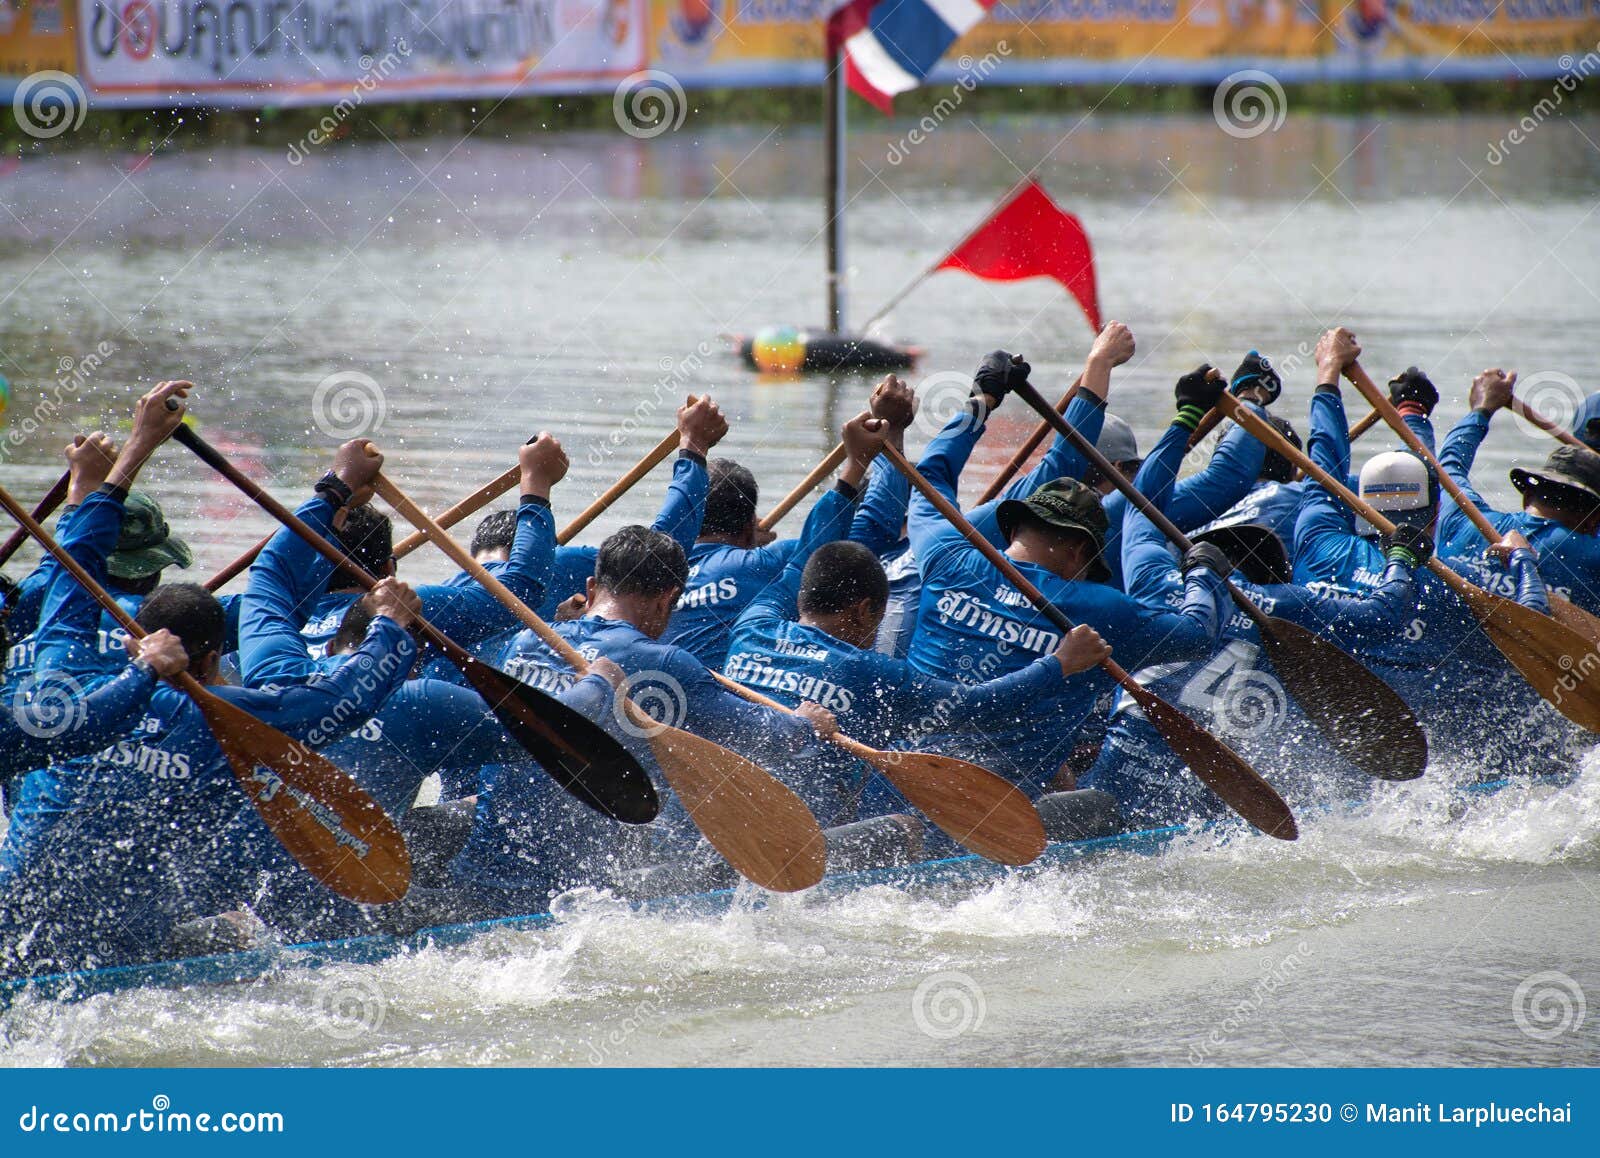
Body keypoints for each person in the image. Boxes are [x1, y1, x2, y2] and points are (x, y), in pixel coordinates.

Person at [0, 383, 422, 976]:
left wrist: (127, 456)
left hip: (11, 931)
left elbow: (72, 571)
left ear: (131, 641)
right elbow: (342, 700)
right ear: (213, 659)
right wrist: (391, 625)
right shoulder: (222, 717)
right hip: (122, 959)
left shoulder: (57, 676)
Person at [481, 410, 891, 836]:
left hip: (502, 844)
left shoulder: (528, 636)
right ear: (667, 601)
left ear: (592, 584)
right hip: (605, 838)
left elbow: (666, 531)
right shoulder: (673, 657)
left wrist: (691, 447)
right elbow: (764, 732)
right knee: (895, 830)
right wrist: (807, 725)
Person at [903, 352, 1231, 794]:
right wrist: (1205, 571)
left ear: (1014, 526)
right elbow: (1196, 633)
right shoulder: (1098, 610)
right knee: (1096, 804)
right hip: (1000, 808)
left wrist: (981, 399)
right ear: (1080, 551)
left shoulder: (947, 554)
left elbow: (930, 477)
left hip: (904, 779)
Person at [726, 510, 1112, 827]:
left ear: (801, 598)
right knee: (1095, 808)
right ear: (864, 611)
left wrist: (852, 475)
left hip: (725, 810)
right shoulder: (871, 672)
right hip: (800, 841)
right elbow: (980, 706)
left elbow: (798, 562)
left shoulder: (752, 625)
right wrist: (1059, 664)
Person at [1289, 356, 1576, 780]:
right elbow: (1533, 626)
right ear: (1437, 513)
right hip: (1445, 766)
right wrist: (1523, 562)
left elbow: (1323, 469)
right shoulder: (1463, 580)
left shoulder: (1317, 545)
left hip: (1345, 749)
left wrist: (1327, 376)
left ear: (1359, 506)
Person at [661, 380, 911, 668]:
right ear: (746, 529)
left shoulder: (651, 564)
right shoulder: (765, 563)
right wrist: (892, 432)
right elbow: (874, 529)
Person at [294, 434, 565, 658]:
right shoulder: (402, 608)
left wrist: (337, 488)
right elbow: (523, 592)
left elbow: (281, 555)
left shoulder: (267, 615)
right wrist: (536, 483)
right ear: (389, 569)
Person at [3, 431, 192, 677]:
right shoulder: (161, 625)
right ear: (149, 572)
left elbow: (62, 561)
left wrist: (79, 494)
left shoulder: (26, 599)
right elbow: (254, 608)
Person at [525, 395, 726, 619]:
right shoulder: (546, 569)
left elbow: (650, 555)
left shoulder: (495, 594)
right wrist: (693, 446)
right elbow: (654, 559)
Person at [1432, 368, 1600, 615]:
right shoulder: (1592, 556)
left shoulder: (1463, 522)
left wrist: (1481, 410)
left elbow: (1447, 467)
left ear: (1527, 496)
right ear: (1594, 520)